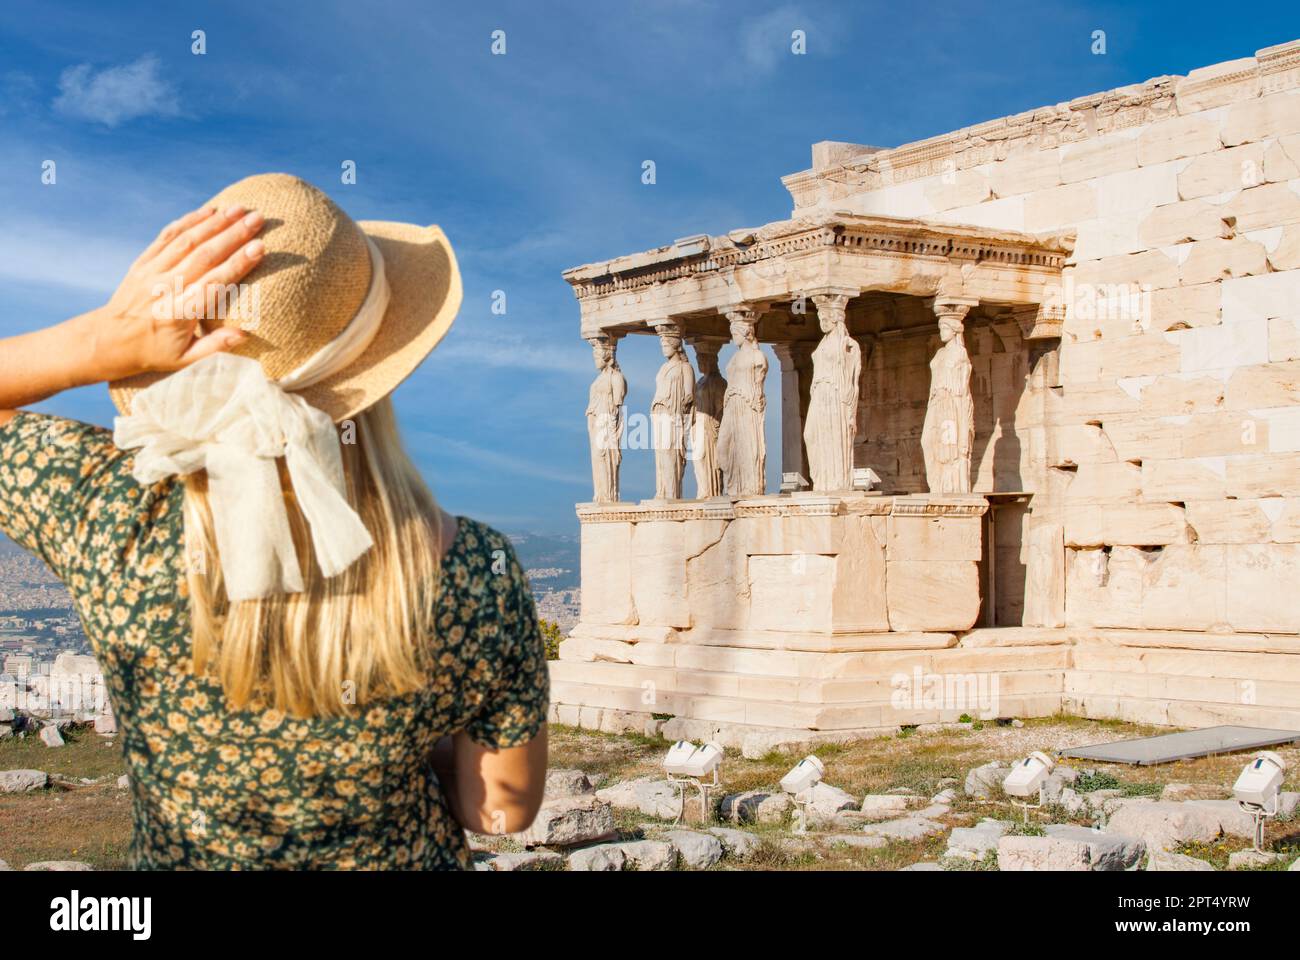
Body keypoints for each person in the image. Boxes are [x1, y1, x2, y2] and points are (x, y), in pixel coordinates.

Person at [0, 173, 549, 869]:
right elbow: (498, 810)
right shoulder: (477, 571)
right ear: (379, 361)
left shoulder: (104, 510)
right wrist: (392, 746)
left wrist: (98, 343)